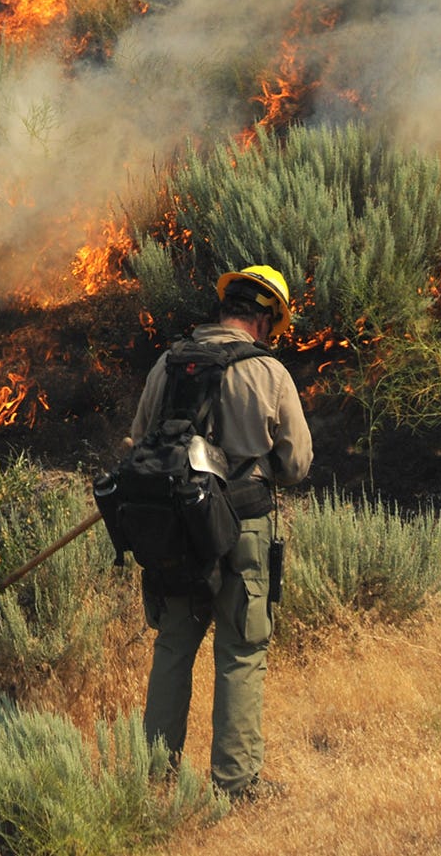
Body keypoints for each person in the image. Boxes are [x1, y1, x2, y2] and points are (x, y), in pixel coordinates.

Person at [127, 264, 312, 803]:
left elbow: (141, 440)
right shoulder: (268, 372)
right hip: (242, 530)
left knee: (174, 646)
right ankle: (234, 786)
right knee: (240, 649)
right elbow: (297, 462)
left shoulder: (167, 364)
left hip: (175, 532)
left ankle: (154, 777)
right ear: (264, 319)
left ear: (225, 307)